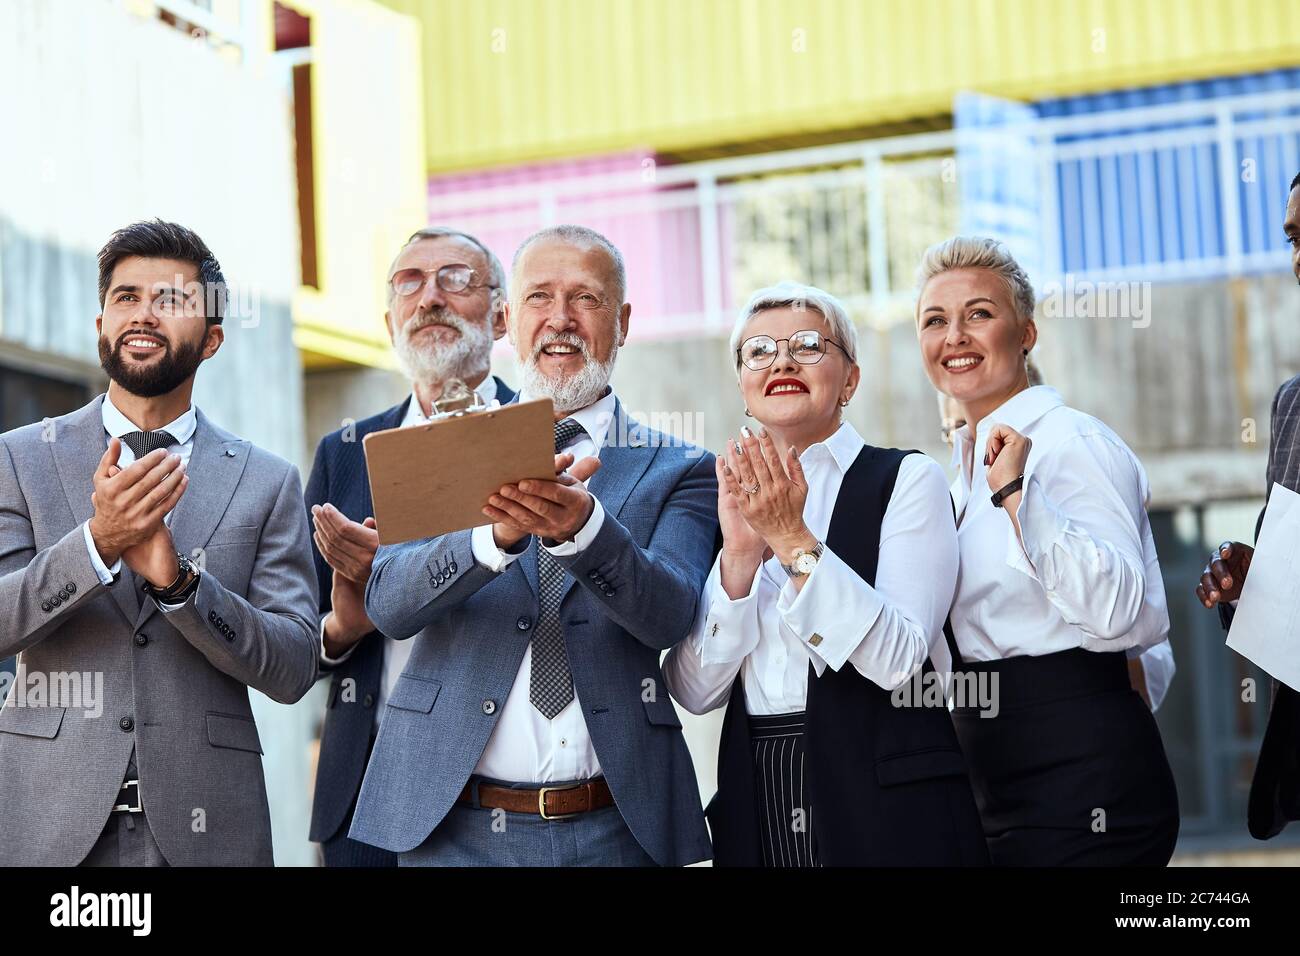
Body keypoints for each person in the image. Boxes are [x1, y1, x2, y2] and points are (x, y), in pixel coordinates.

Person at [349, 225, 717, 866]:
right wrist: (494, 539)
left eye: (586, 299)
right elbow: (389, 604)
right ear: (509, 320)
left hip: (617, 826)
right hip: (452, 833)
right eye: (540, 299)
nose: (561, 320)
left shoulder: (681, 467)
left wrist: (585, 534)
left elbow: (670, 613)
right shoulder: (442, 442)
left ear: (623, 321)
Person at [0, 220, 318, 866]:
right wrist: (96, 544)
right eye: (126, 297)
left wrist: (183, 588)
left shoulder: (267, 481)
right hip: (46, 825)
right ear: (99, 327)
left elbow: (292, 668)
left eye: (170, 301)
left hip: (210, 831)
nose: (143, 315)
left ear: (212, 340)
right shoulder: (20, 457)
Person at [662, 280, 987, 866]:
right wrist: (738, 559)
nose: (782, 360)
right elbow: (693, 691)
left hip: (886, 797)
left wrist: (791, 539)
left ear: (851, 380)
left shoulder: (906, 480)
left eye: (809, 345)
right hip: (755, 789)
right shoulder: (724, 497)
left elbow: (898, 661)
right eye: (759, 351)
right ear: (743, 385)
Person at [916, 235, 1178, 865]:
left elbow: (1119, 610)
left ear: (1027, 333)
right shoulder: (956, 476)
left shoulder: (1072, 442)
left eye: (979, 314)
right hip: (989, 770)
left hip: (1082, 775)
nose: (955, 336)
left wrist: (1018, 496)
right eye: (935, 320)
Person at [306, 227, 516, 867]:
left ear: (502, 316)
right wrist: (343, 627)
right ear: (389, 318)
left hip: (503, 797)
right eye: (410, 283)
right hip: (368, 799)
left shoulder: (538, 441)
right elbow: (297, 635)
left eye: (454, 279)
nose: (429, 299)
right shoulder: (343, 453)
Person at [939, 385, 1178, 712]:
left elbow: (1129, 631)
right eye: (951, 430)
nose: (963, 438)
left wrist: (1016, 495)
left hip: (1074, 723)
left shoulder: (1076, 442)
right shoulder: (951, 502)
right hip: (982, 739)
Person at [1197, 170, 1300, 840]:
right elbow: (1282, 604)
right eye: (1293, 237)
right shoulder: (1292, 405)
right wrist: (1244, 581)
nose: (1298, 256)